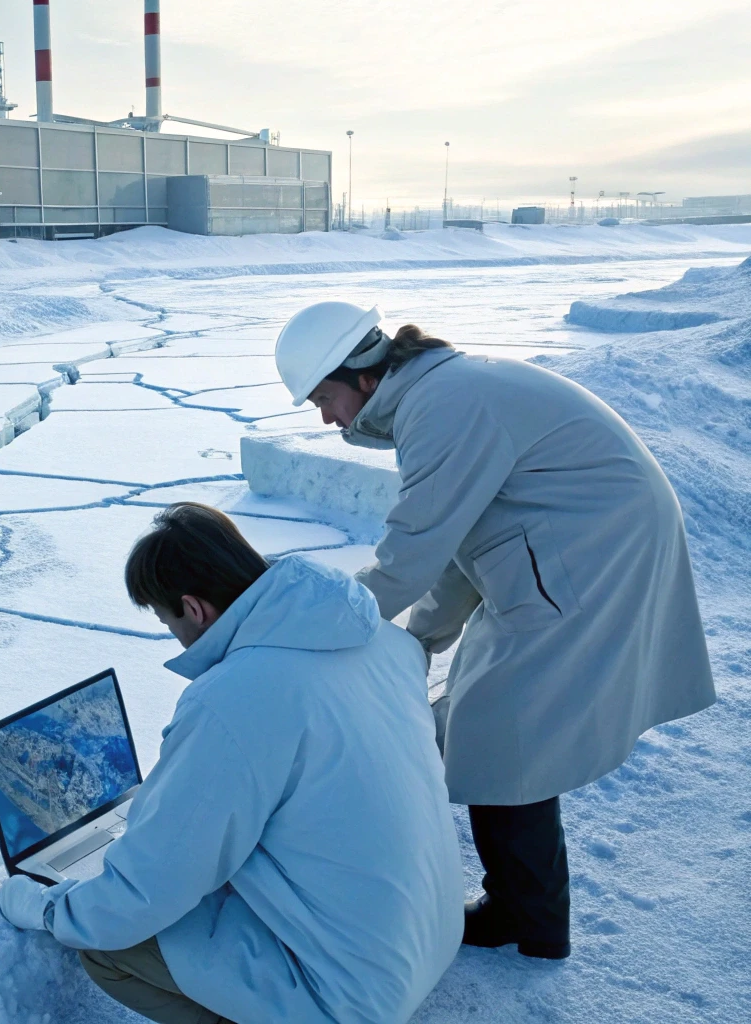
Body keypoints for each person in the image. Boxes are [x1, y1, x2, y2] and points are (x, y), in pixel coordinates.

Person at [274, 301, 717, 960]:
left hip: (587, 556)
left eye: (323, 397)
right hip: (566, 550)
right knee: (495, 734)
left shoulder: (441, 408)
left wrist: (313, 631)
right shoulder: (440, 393)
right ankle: (522, 909)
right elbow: (460, 545)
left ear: (361, 376)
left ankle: (530, 921)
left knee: (504, 740)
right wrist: (418, 637)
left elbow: (410, 551)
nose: (326, 417)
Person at [0, 502, 463, 1024]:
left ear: (193, 608)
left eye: (165, 618)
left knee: (109, 951)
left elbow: (142, 896)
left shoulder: (233, 699)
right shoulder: (387, 642)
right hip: (430, 935)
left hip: (351, 994)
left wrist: (44, 908)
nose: (172, 632)